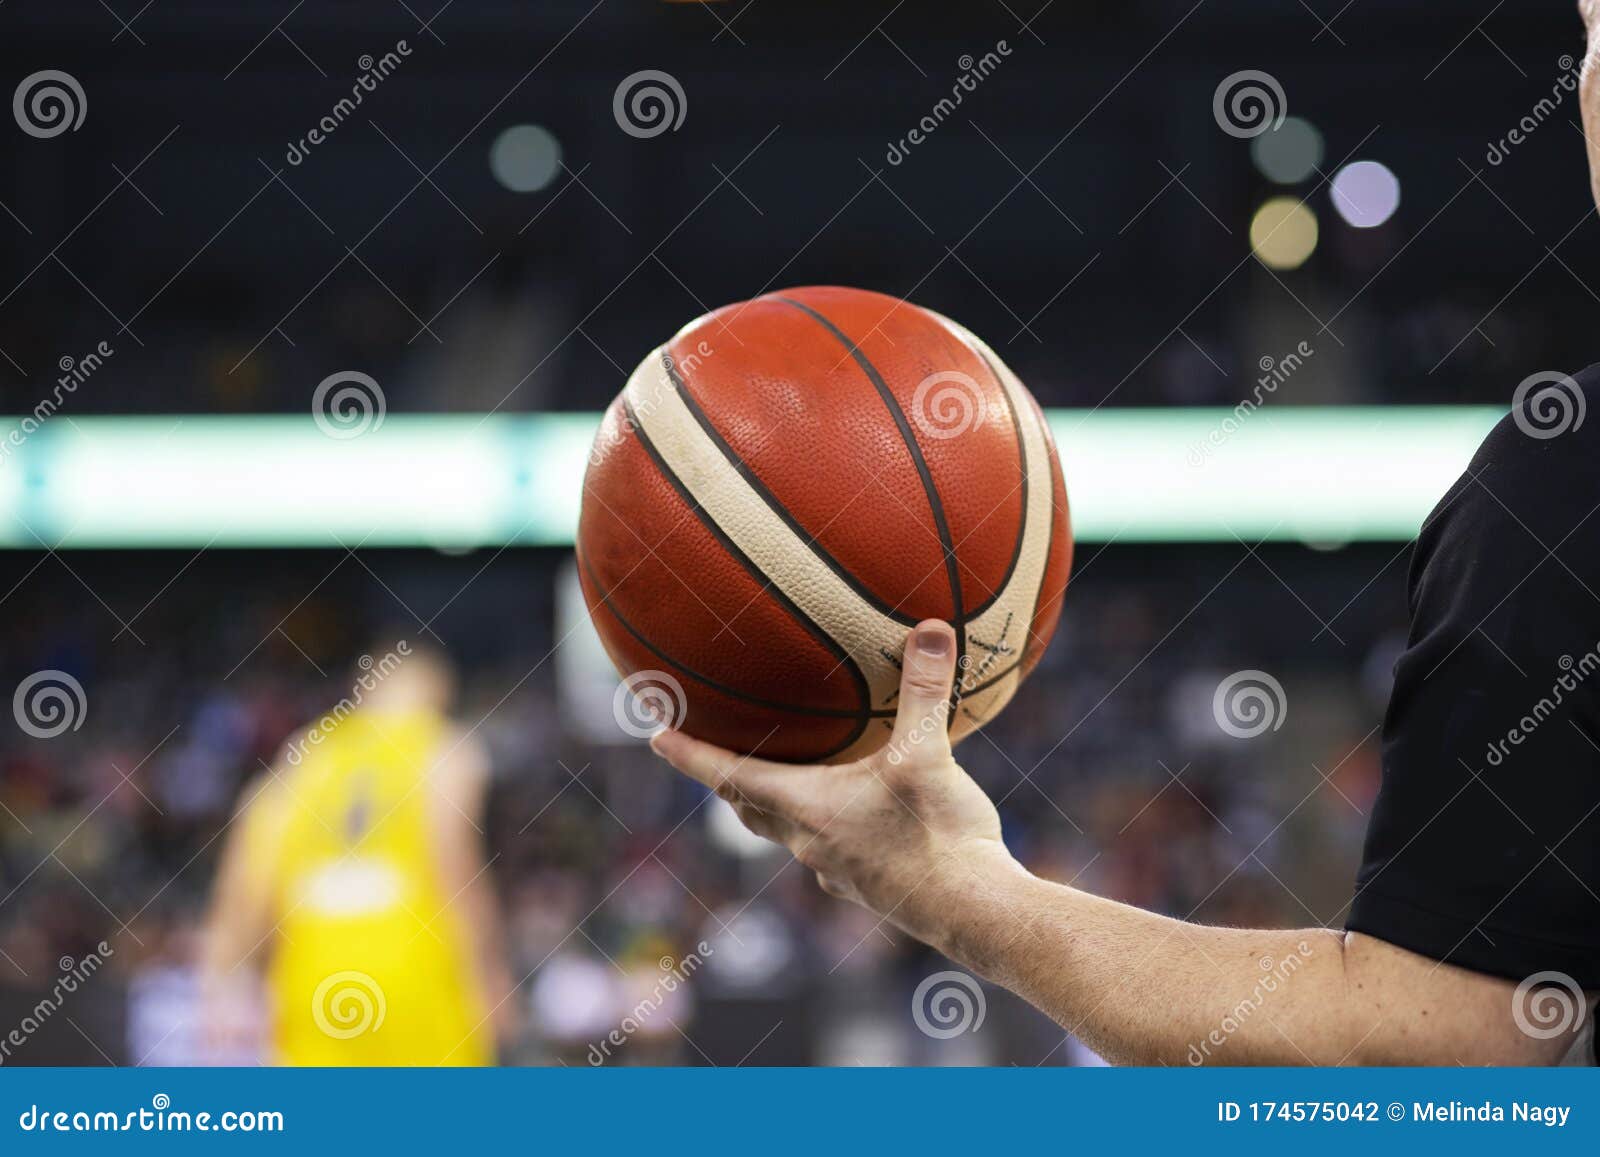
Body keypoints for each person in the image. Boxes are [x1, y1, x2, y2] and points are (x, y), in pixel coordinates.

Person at [647, 8, 1600, 1068]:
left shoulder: (1566, 477)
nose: (1578, 83)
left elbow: (1447, 1058)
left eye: (1595, 37)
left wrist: (955, 890)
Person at [200, 643, 512, 1065]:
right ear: (437, 696)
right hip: (417, 971)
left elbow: (248, 882)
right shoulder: (444, 749)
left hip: (314, 976)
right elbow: (455, 868)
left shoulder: (305, 754)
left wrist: (225, 979)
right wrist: (488, 974)